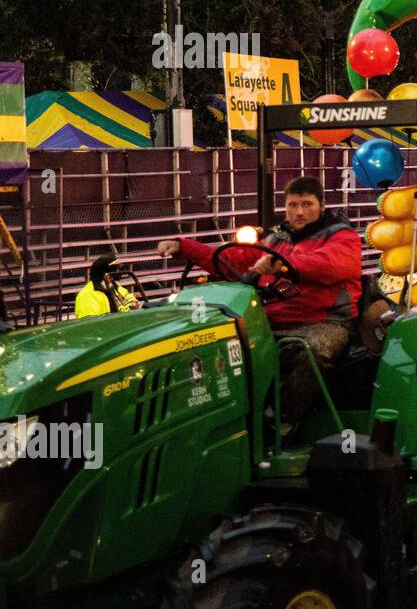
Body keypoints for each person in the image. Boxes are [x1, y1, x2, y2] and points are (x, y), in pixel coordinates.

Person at [157, 176, 361, 427]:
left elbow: (332, 265)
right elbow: (236, 258)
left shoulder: (341, 237)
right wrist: (184, 246)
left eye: (307, 204)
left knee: (311, 350)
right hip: (271, 318)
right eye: (293, 205)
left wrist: (284, 266)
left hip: (324, 321)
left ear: (322, 205)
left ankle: (281, 423)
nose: (299, 212)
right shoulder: (277, 240)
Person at [74, 254, 140, 317]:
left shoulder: (115, 285)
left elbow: (130, 299)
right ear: (105, 274)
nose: (118, 271)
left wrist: (134, 304)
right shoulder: (87, 295)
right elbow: (89, 324)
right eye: (115, 269)